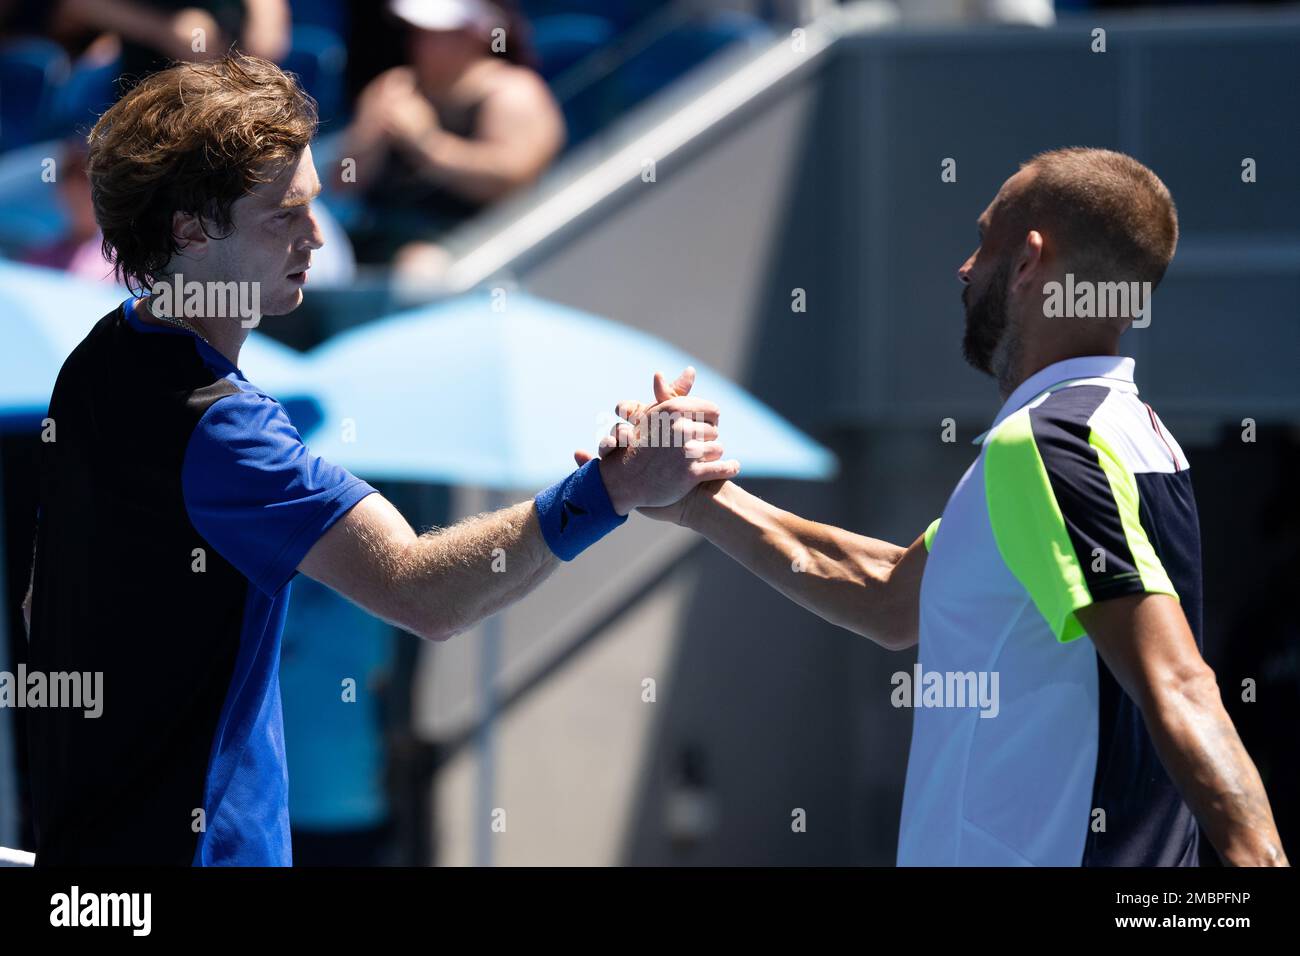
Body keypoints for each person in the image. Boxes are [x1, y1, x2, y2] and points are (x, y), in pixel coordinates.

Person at [20, 54, 738, 866]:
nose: (316, 238)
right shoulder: (223, 432)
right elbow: (422, 592)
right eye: (283, 217)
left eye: (313, 208)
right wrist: (610, 488)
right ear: (190, 230)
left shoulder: (98, 357)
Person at [592, 148, 1290, 867]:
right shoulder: (1129, 436)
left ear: (1028, 262)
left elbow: (1177, 680)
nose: (964, 267)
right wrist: (696, 500)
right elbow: (893, 594)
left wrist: (1259, 859)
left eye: (984, 241)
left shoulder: (1047, 444)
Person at [334, 0, 564, 270]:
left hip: (478, 241)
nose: (420, 43)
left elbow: (508, 181)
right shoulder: (393, 86)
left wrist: (424, 142)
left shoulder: (514, 92)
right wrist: (371, 137)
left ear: (475, 34)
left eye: (437, 33)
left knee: (419, 268)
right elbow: (343, 181)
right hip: (381, 233)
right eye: (418, 32)